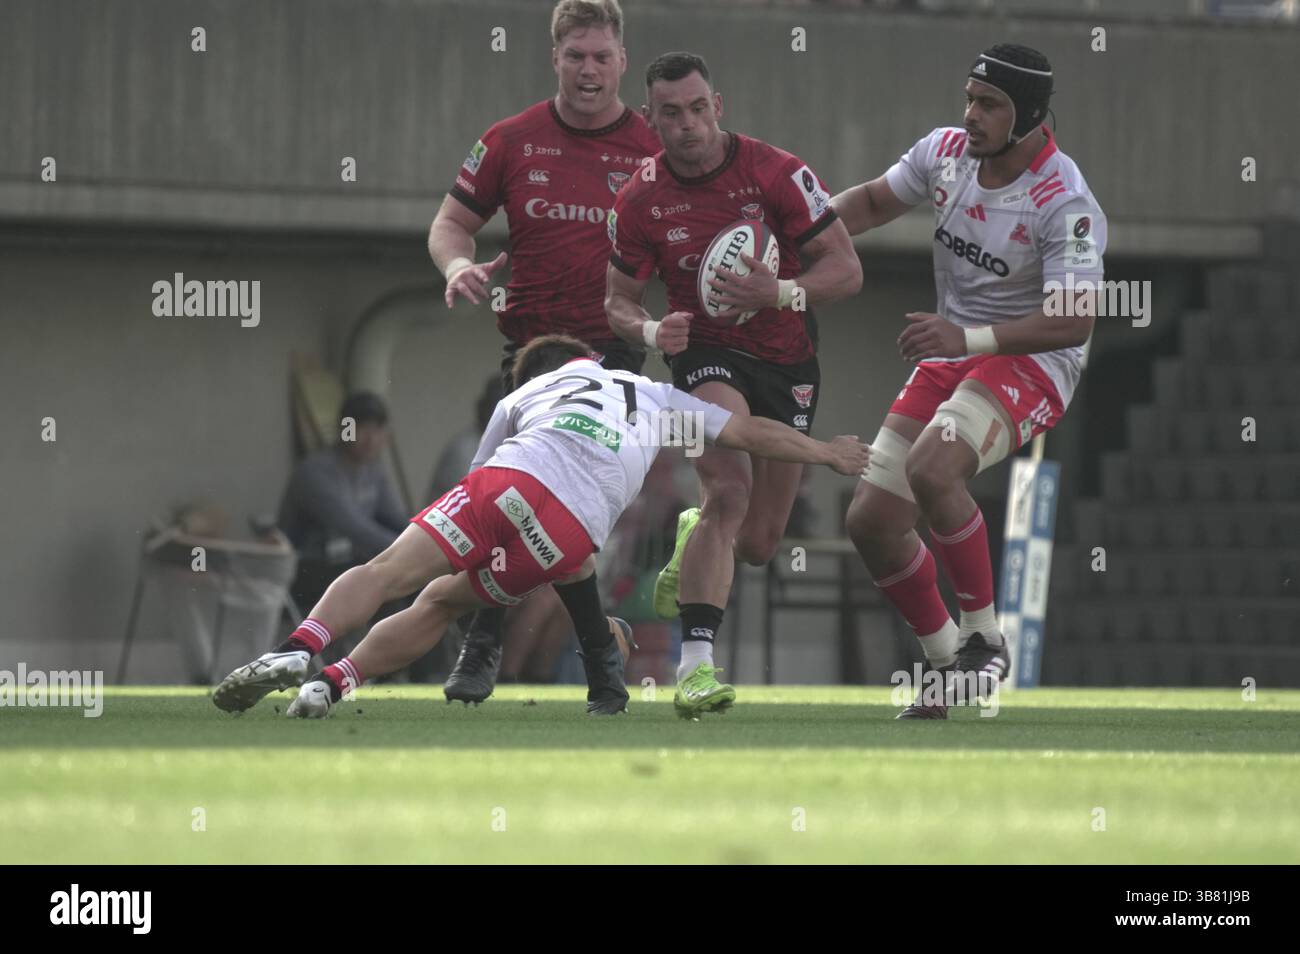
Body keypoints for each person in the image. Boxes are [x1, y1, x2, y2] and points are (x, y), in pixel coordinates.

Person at [212, 334, 868, 718]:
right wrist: (829, 453)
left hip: (511, 481)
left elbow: (481, 473)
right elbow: (752, 431)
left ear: (547, 373)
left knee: (398, 576)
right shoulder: (661, 400)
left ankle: (303, 647)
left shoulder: (526, 394)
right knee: (454, 600)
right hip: (571, 533)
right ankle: (330, 689)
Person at [829, 43, 1106, 718]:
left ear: (1030, 115)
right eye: (970, 99)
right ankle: (950, 665)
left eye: (989, 105)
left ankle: (985, 640)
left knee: (933, 468)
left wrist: (968, 339)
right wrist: (790, 230)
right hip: (954, 352)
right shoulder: (945, 151)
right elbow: (866, 204)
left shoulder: (1065, 201)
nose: (971, 115)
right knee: (871, 520)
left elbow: (1073, 321)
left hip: (1034, 361)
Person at [605, 52, 863, 716]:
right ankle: (695, 669)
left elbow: (846, 270)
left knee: (758, 542)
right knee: (728, 488)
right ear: (649, 118)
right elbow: (618, 302)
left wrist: (779, 291)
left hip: (788, 359)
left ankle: (694, 533)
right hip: (704, 355)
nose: (687, 125)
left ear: (717, 105)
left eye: (697, 108)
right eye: (670, 113)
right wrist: (649, 333)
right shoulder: (639, 200)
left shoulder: (778, 172)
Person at [427, 0, 662, 705]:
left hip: (615, 357)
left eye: (600, 56)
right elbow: (450, 224)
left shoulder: (654, 148)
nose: (588, 70)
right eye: (574, 56)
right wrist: (455, 267)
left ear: (621, 60)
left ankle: (491, 643)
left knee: (566, 515)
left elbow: (693, 237)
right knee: (527, 509)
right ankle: (590, 658)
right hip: (531, 358)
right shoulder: (512, 139)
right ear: (555, 59)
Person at [277, 392, 409, 616]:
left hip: (348, 564)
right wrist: (409, 551)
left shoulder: (373, 470)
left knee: (416, 580)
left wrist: (429, 541)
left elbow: (397, 519)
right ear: (344, 430)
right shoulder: (316, 472)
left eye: (377, 429)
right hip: (306, 568)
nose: (370, 438)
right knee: (385, 581)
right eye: (361, 428)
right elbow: (356, 529)